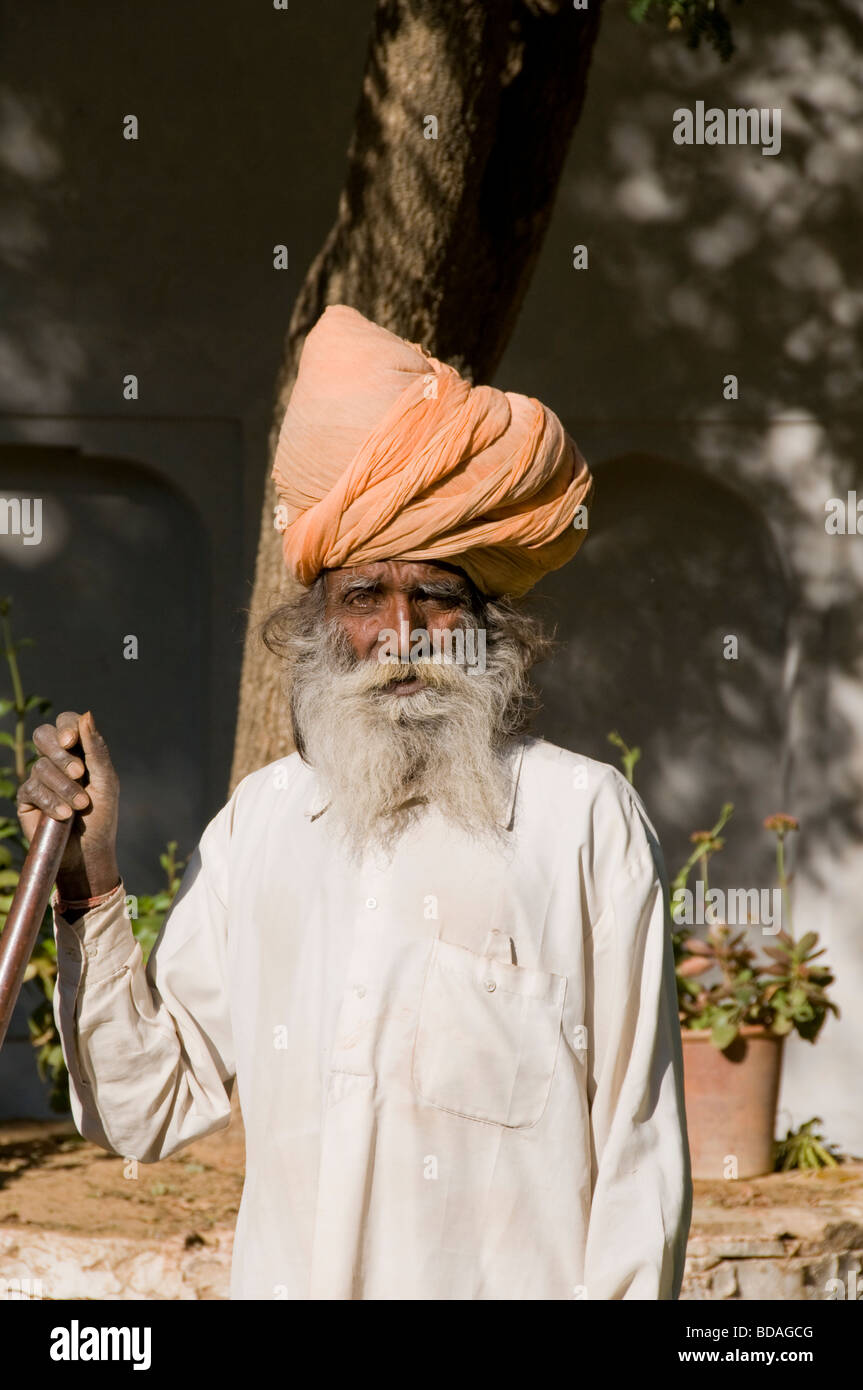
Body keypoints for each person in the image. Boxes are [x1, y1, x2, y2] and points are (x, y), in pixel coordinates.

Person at [18, 305, 691, 1300]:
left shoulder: (580, 819)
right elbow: (142, 1109)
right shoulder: (263, 826)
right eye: (362, 595)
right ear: (319, 626)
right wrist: (90, 881)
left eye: (436, 596)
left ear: (485, 626)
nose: (400, 633)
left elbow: (637, 1168)